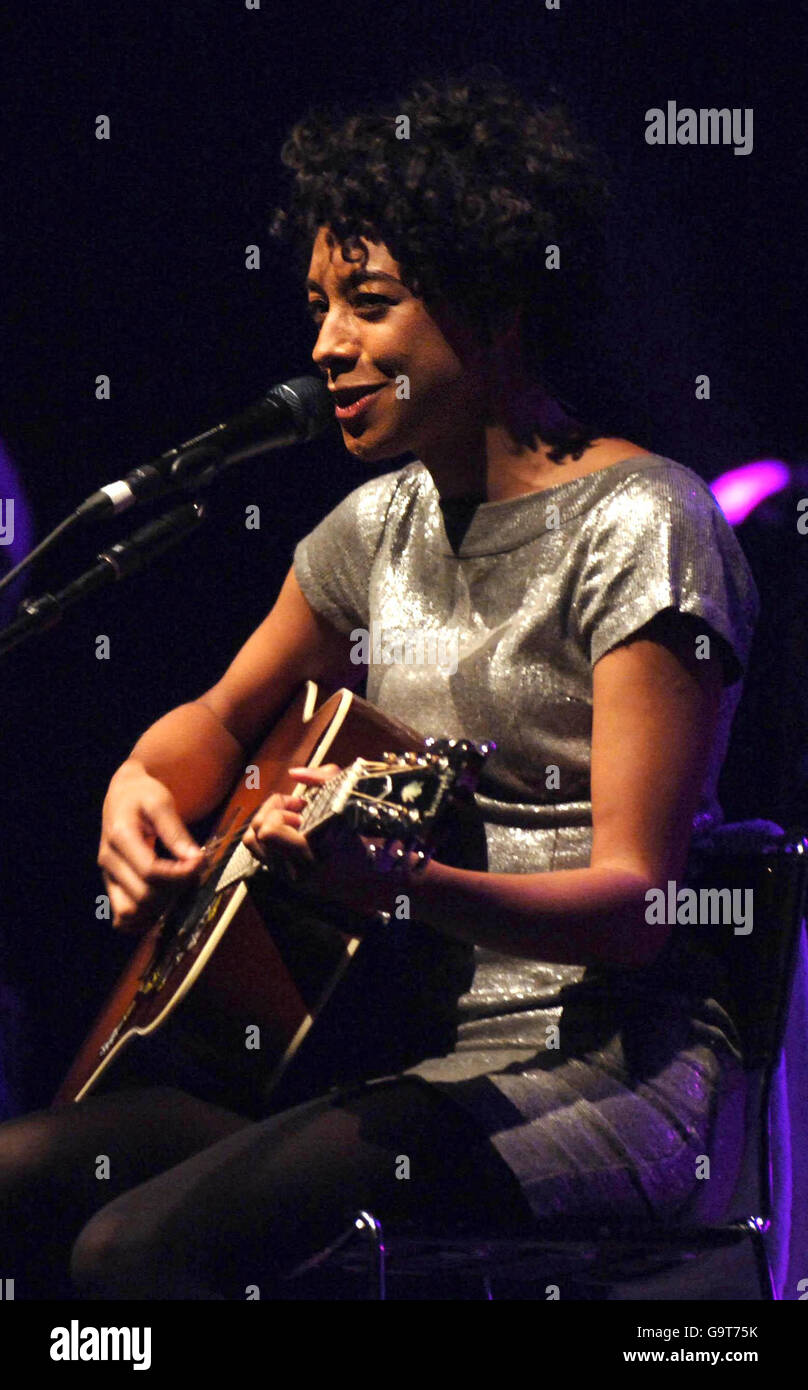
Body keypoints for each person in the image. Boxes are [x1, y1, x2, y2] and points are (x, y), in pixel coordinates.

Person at [0, 70, 759, 1300]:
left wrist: (408, 888)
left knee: (130, 1253)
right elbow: (212, 723)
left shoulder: (644, 523)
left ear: (496, 301)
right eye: (318, 307)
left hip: (595, 1072)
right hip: (377, 1049)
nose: (325, 347)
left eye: (370, 303)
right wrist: (140, 781)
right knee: (23, 1186)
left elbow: (638, 907)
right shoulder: (374, 527)